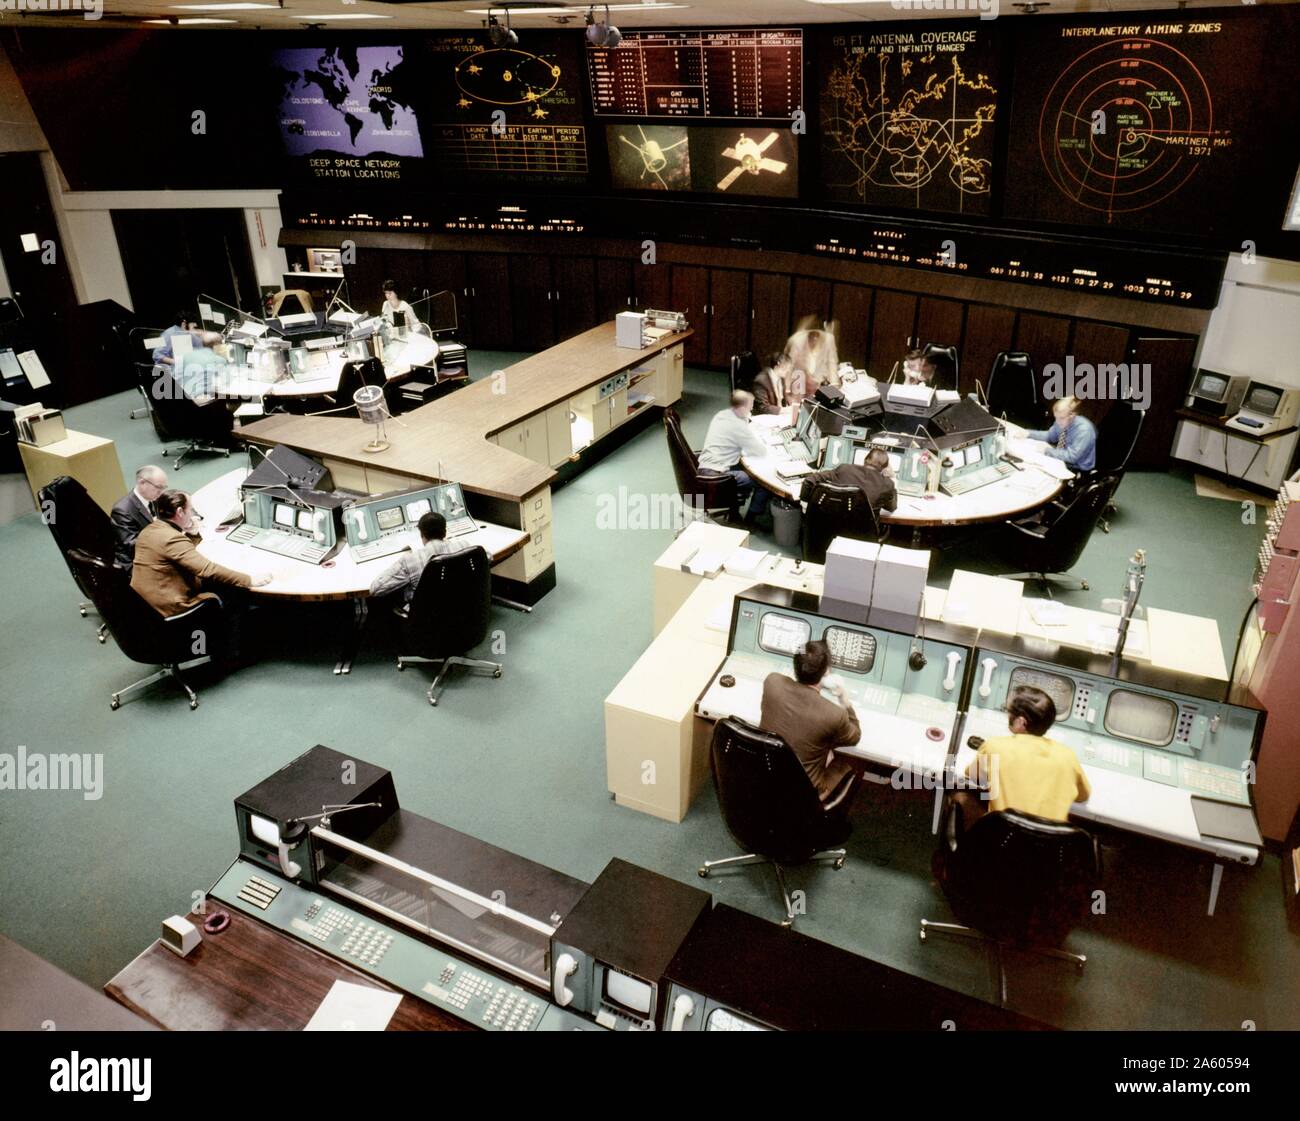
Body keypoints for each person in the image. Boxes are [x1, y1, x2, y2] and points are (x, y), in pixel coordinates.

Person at [961, 685, 1091, 824]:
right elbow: (1083, 796)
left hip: (1002, 842)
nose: (1007, 715)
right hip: (1046, 844)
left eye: (1009, 711)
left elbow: (974, 776)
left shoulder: (995, 747)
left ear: (1021, 722)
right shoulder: (1067, 756)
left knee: (960, 795)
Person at [131, 489, 270, 618]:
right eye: (190, 509)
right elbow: (206, 570)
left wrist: (193, 532)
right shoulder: (171, 538)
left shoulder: (149, 530)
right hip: (171, 606)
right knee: (232, 592)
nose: (192, 514)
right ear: (180, 512)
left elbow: (180, 554)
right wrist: (249, 580)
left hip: (144, 604)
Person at [759, 639, 861, 802]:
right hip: (802, 796)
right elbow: (855, 736)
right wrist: (844, 699)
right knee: (848, 762)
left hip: (764, 778)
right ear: (827, 673)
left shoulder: (772, 681)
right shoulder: (834, 714)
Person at [369, 511, 471, 612]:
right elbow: (486, 558)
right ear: (445, 532)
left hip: (429, 620)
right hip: (465, 612)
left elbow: (376, 589)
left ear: (422, 534)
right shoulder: (465, 547)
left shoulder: (410, 560)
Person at [697, 389, 773, 522]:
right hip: (717, 476)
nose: (752, 408)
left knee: (743, 466)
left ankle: (734, 511)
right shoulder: (738, 426)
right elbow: (759, 451)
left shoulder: (722, 415)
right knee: (763, 483)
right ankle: (750, 519)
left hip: (706, 465)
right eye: (750, 406)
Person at [800, 446, 898, 520]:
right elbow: (891, 508)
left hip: (831, 527)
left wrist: (807, 507)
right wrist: (892, 477)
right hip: (862, 535)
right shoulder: (887, 484)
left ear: (865, 460)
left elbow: (808, 481)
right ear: (884, 468)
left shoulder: (844, 469)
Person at [111, 465, 169, 567]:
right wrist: (160, 535)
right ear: (142, 483)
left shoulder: (156, 496)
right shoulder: (122, 510)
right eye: (159, 487)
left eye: (164, 487)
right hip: (136, 563)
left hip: (157, 551)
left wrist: (193, 517)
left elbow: (179, 502)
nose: (162, 492)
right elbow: (132, 546)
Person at [1026, 396, 1097, 472]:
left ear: (1072, 415)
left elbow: (1072, 457)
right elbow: (1049, 436)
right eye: (1056, 417)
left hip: (1077, 469)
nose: (1057, 421)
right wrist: (1028, 433)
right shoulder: (1062, 421)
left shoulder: (1084, 430)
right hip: (1061, 460)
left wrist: (1047, 451)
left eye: (1061, 418)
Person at [783, 319, 840, 402]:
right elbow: (789, 366)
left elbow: (832, 364)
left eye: (817, 334)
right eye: (812, 334)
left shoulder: (829, 339)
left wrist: (835, 387)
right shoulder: (797, 340)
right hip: (799, 382)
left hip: (819, 382)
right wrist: (787, 390)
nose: (815, 337)